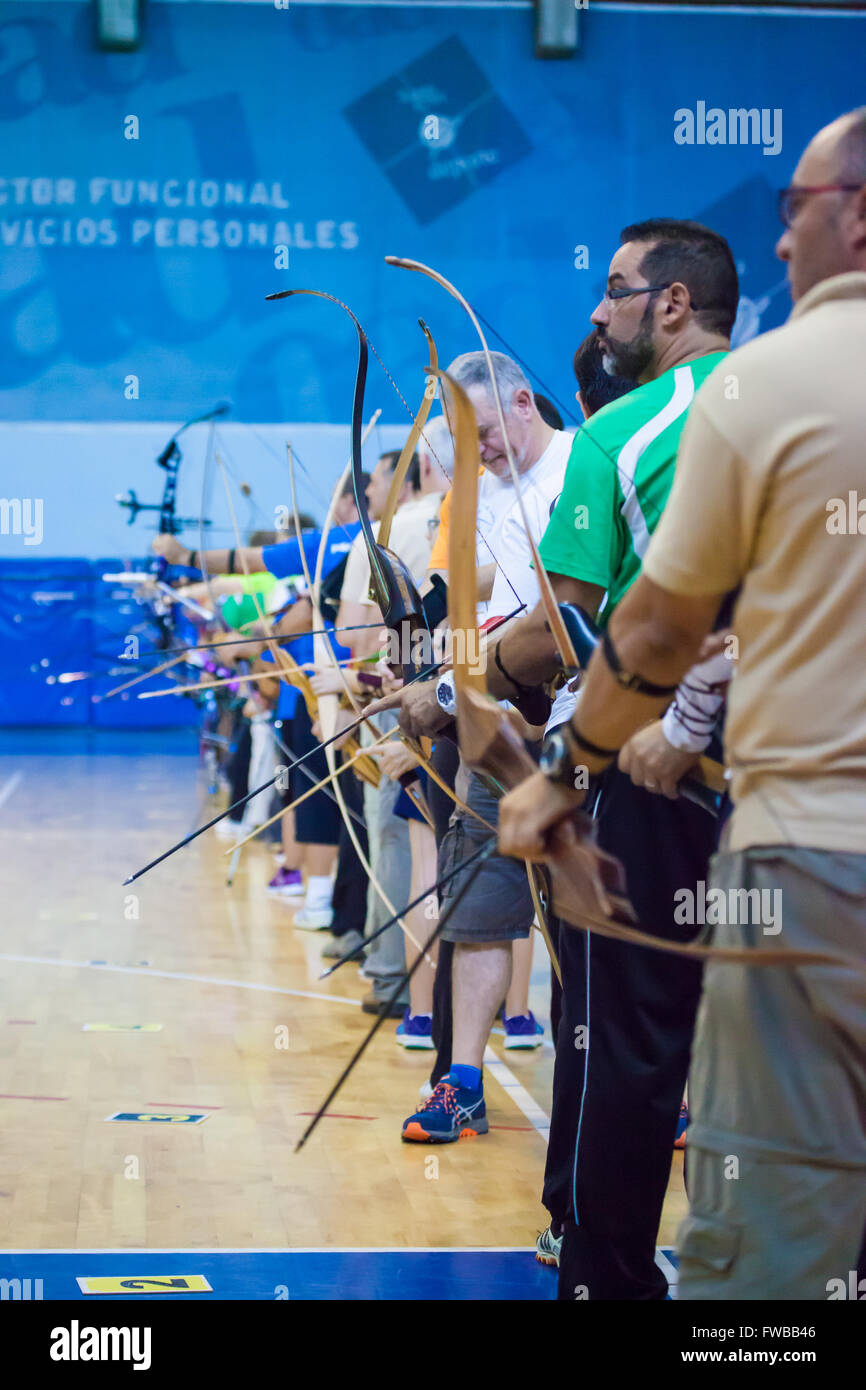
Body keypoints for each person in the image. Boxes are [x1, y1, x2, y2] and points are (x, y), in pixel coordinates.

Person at [502, 108, 866, 1300]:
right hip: (752, 788)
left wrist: (563, 764)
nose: (778, 246)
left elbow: (625, 627)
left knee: (651, 1050)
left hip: (745, 806)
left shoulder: (707, 405)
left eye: (793, 213)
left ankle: (603, 1273)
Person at [440, 221, 738, 1293]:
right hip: (815, 769)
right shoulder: (810, 409)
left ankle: (602, 1274)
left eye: (612, 291)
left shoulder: (621, 433)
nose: (596, 310)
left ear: (668, 305)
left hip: (664, 773)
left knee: (629, 1039)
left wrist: (457, 684)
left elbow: (564, 631)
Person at [371, 350, 575, 1140]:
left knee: (596, 914)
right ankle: (460, 1083)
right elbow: (470, 609)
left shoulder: (580, 468)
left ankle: (671, 1092)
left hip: (581, 730)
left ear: (525, 401)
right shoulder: (477, 494)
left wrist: (452, 689)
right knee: (481, 904)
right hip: (498, 726)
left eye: (484, 431)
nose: (479, 451)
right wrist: (424, 666)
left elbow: (565, 617)